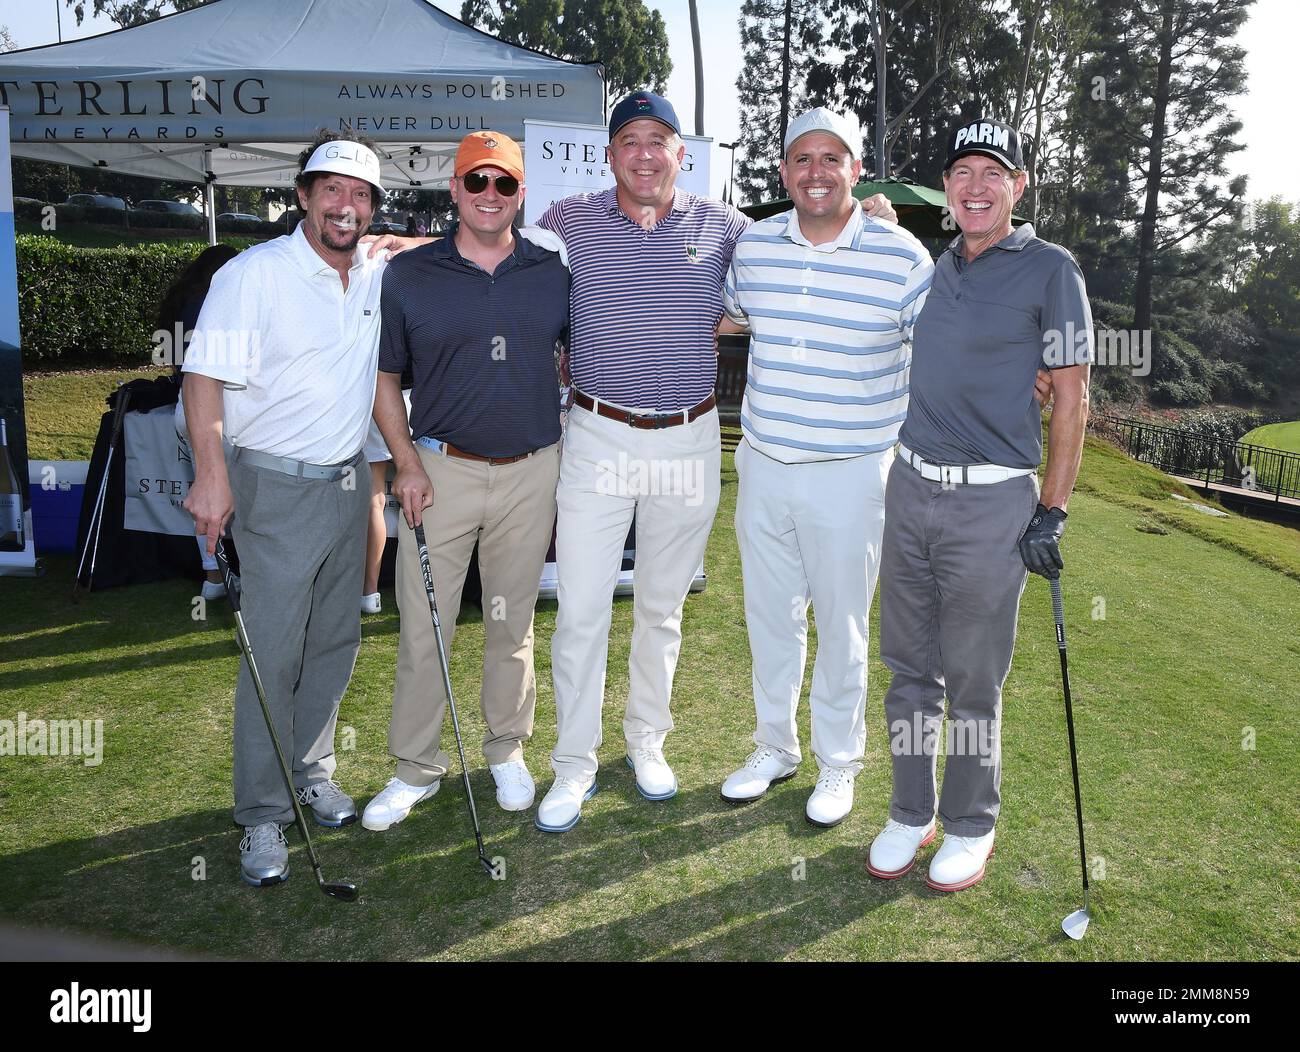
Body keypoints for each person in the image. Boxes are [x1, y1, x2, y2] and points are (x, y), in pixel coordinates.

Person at [866, 117, 1092, 891]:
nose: (975, 185)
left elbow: (1071, 396)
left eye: (993, 172)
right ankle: (908, 809)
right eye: (962, 171)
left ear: (1018, 187)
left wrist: (1052, 510)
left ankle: (969, 822)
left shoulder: (1052, 270)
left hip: (992, 505)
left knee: (970, 680)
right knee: (906, 670)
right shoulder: (937, 268)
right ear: (947, 191)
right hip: (910, 486)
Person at [182, 128, 390, 887]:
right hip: (272, 484)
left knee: (334, 640)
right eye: (331, 188)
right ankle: (263, 816)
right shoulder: (253, 273)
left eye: (361, 194)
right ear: (301, 196)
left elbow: (457, 236)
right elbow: (201, 381)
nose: (346, 205)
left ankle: (311, 768)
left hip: (344, 485)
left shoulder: (371, 269)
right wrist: (212, 475)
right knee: (273, 652)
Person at [717, 108, 934, 828]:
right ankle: (774, 748)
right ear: (783, 171)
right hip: (765, 463)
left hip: (853, 470)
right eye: (802, 159)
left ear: (856, 168)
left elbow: (943, 346)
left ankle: (838, 762)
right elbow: (720, 314)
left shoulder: (902, 256)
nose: (816, 171)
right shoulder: (754, 246)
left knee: (843, 628)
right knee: (771, 618)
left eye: (831, 158)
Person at [361, 131, 571, 830]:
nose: (489, 195)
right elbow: (386, 380)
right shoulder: (410, 275)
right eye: (475, 182)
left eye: (502, 184)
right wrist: (407, 466)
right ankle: (415, 769)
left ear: (520, 194)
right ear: (452, 189)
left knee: (510, 626)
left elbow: (575, 353)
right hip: (439, 471)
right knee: (426, 627)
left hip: (531, 471)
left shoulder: (551, 270)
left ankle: (506, 751)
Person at [159, 244, 239, 600]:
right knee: (245, 497)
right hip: (220, 413)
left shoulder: (183, 305)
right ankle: (239, 575)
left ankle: (213, 578)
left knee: (205, 494)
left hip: (186, 410)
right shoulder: (225, 305)